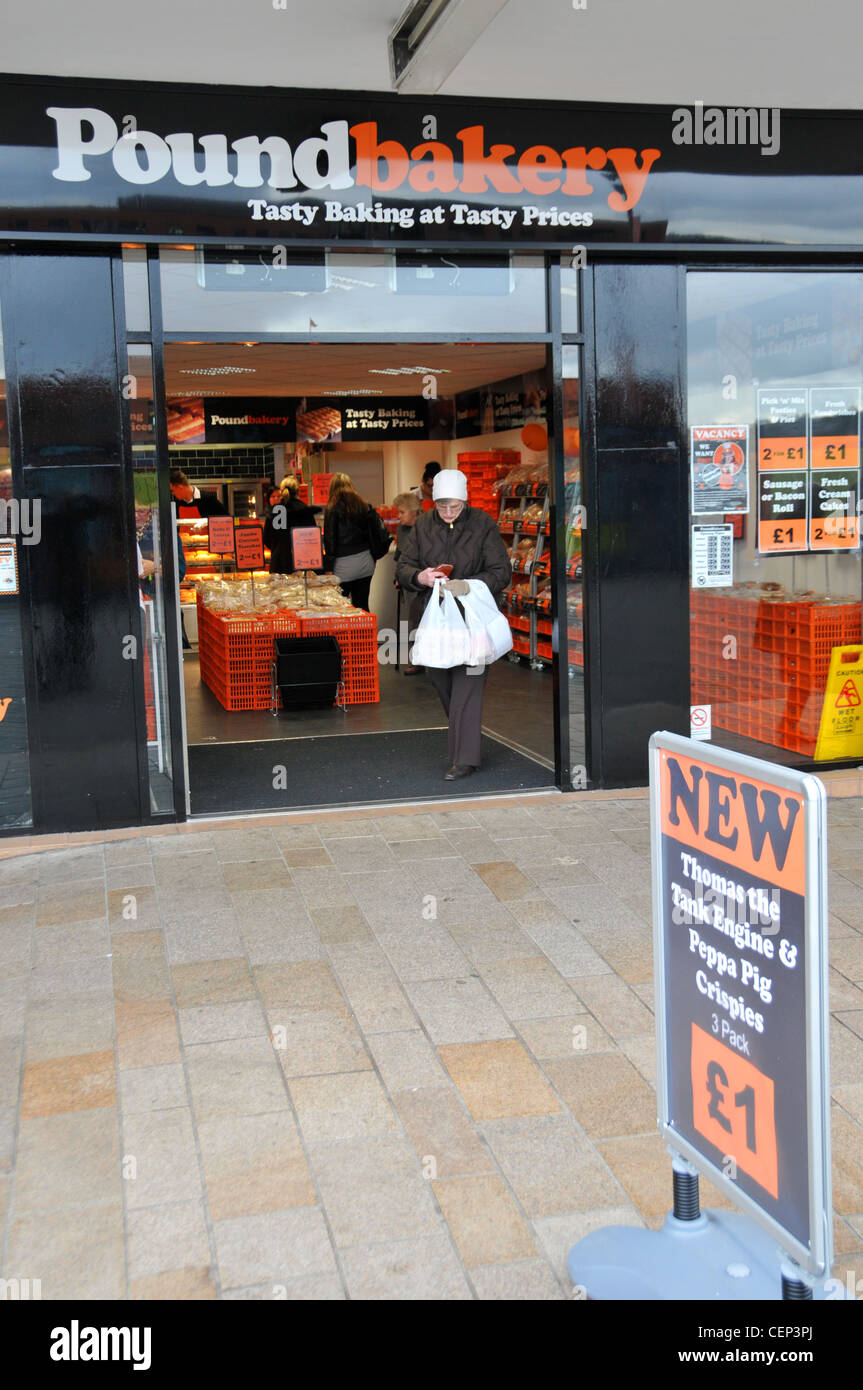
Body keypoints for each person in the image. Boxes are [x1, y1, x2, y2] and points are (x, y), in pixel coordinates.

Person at [396, 468, 511, 780]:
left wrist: (470, 585)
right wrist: (419, 577)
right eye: (442, 506)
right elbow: (403, 566)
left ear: (465, 501)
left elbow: (502, 570)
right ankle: (465, 736)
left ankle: (464, 759)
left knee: (467, 688)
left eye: (454, 507)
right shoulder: (422, 525)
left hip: (473, 621)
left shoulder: (483, 524)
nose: (448, 512)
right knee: (442, 682)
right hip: (434, 622)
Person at [322, 473, 390, 612]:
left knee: (341, 608)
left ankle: (346, 634)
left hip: (343, 565)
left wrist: (328, 568)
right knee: (362, 605)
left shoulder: (332, 508)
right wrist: (374, 557)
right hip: (365, 562)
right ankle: (368, 633)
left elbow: (330, 540)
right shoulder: (364, 505)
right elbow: (374, 534)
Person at [263, 475, 322, 574]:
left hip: (279, 564)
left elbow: (266, 538)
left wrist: (277, 548)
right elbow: (314, 538)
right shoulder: (305, 510)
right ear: (298, 492)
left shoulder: (275, 511)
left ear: (281, 492)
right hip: (303, 563)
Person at [392, 492, 423, 674]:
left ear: (414, 512)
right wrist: (398, 577)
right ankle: (418, 661)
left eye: (402, 512)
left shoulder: (426, 528)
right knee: (414, 621)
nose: (398, 516)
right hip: (409, 581)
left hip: (425, 579)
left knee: (425, 620)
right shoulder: (401, 531)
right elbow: (400, 557)